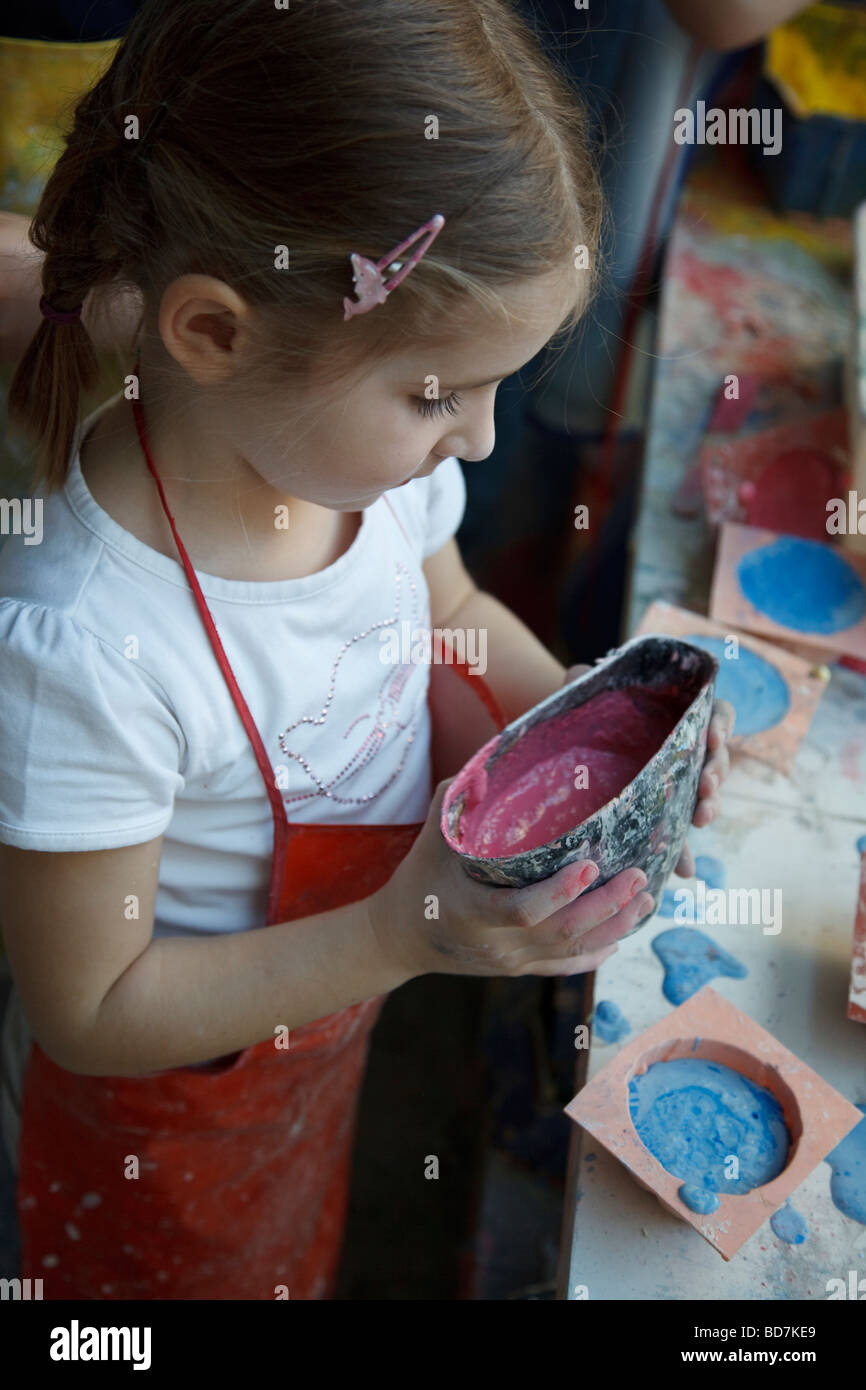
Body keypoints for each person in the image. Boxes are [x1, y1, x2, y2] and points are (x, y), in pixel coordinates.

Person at [0, 0, 733, 1301]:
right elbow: (92, 1008)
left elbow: (446, 612)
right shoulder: (89, 647)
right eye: (437, 394)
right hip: (163, 1119)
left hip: (325, 1026)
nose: (485, 442)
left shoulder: (361, 469)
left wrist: (587, 722)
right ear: (213, 334)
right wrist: (404, 934)